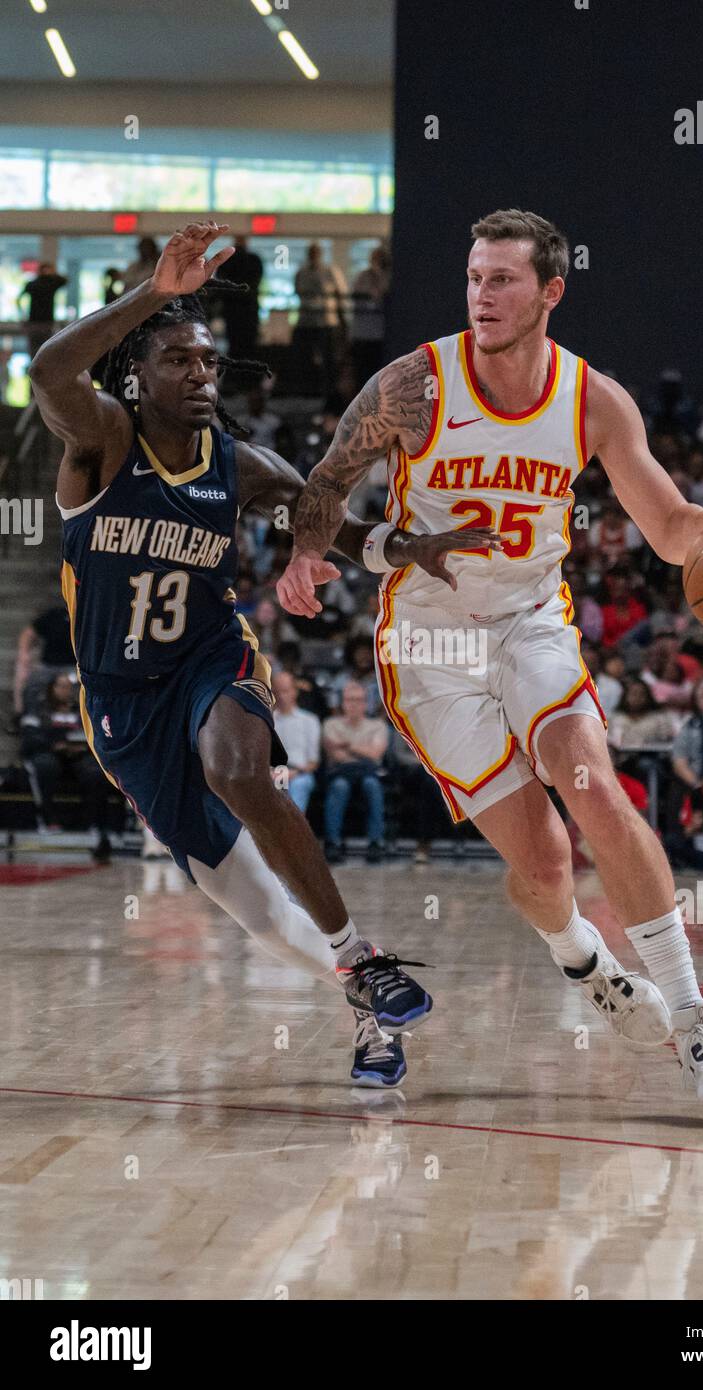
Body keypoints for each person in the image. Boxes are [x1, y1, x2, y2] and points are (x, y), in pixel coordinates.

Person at [277, 207, 703, 1099]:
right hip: (429, 641)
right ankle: (585, 962)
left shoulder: (593, 400)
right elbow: (328, 478)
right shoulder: (416, 385)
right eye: (476, 278)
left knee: (591, 778)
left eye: (504, 279)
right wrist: (303, 553)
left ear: (550, 291)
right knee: (548, 864)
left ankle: (693, 1021)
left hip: (531, 620)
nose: (483, 295)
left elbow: (673, 529)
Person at [29, 221, 496, 1089]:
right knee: (257, 913)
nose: (202, 375)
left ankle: (356, 950)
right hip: (123, 706)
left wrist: (407, 550)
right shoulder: (101, 443)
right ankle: (363, 987)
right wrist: (155, 294)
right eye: (179, 360)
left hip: (213, 658)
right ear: (136, 376)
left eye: (209, 362)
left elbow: (331, 527)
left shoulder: (239, 468)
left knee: (238, 769)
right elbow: (50, 368)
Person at [20, 672, 112, 858]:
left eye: (68, 687)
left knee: (95, 772)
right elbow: (29, 738)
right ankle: (47, 819)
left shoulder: (79, 710)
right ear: (51, 688)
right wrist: (55, 745)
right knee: (46, 766)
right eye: (61, 686)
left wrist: (80, 747)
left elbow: (95, 735)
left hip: (77, 755)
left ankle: (92, 822)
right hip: (48, 752)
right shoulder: (38, 709)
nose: (65, 690)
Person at [322, 682, 389, 863]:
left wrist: (346, 745)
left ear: (366, 703)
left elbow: (376, 754)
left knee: (372, 785)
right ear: (342, 703)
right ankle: (332, 843)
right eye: (350, 700)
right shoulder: (331, 724)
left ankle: (376, 843)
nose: (354, 704)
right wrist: (362, 750)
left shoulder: (377, 725)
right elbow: (336, 755)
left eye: (359, 700)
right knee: (339, 786)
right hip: (340, 772)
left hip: (369, 774)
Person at [294, 243, 349, 397]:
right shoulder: (302, 272)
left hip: (326, 322)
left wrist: (342, 320)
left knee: (328, 360)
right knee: (305, 360)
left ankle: (329, 392)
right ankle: (307, 390)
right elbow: (298, 291)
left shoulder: (330, 271)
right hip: (306, 322)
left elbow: (340, 294)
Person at [271, 671, 320, 815]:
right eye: (277, 691)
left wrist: (294, 772)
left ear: (295, 692)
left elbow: (313, 762)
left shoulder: (309, 720)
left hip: (301, 772)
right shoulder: (267, 720)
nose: (281, 696)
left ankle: (293, 833)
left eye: (285, 691)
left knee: (299, 785)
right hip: (274, 772)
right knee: (275, 786)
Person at [14, 604, 76, 715]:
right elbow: (29, 633)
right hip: (48, 667)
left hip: (74, 668)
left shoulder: (85, 616)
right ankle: (26, 716)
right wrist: (24, 653)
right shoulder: (54, 614)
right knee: (30, 682)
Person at [349, 243, 390, 388]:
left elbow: (383, 294)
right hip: (362, 334)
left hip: (379, 335)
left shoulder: (387, 277)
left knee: (377, 373)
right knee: (361, 373)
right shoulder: (362, 276)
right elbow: (357, 296)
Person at [217, 235, 263, 362]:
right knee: (249, 346)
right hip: (249, 310)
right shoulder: (254, 260)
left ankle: (234, 376)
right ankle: (249, 376)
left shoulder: (227, 262)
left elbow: (221, 285)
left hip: (232, 310)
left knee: (234, 345)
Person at [18, 262, 68, 353]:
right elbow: (64, 280)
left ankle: (33, 365)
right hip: (44, 321)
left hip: (36, 322)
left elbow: (19, 299)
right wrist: (53, 272)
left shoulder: (34, 284)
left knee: (35, 349)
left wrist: (22, 315)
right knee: (46, 349)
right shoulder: (51, 284)